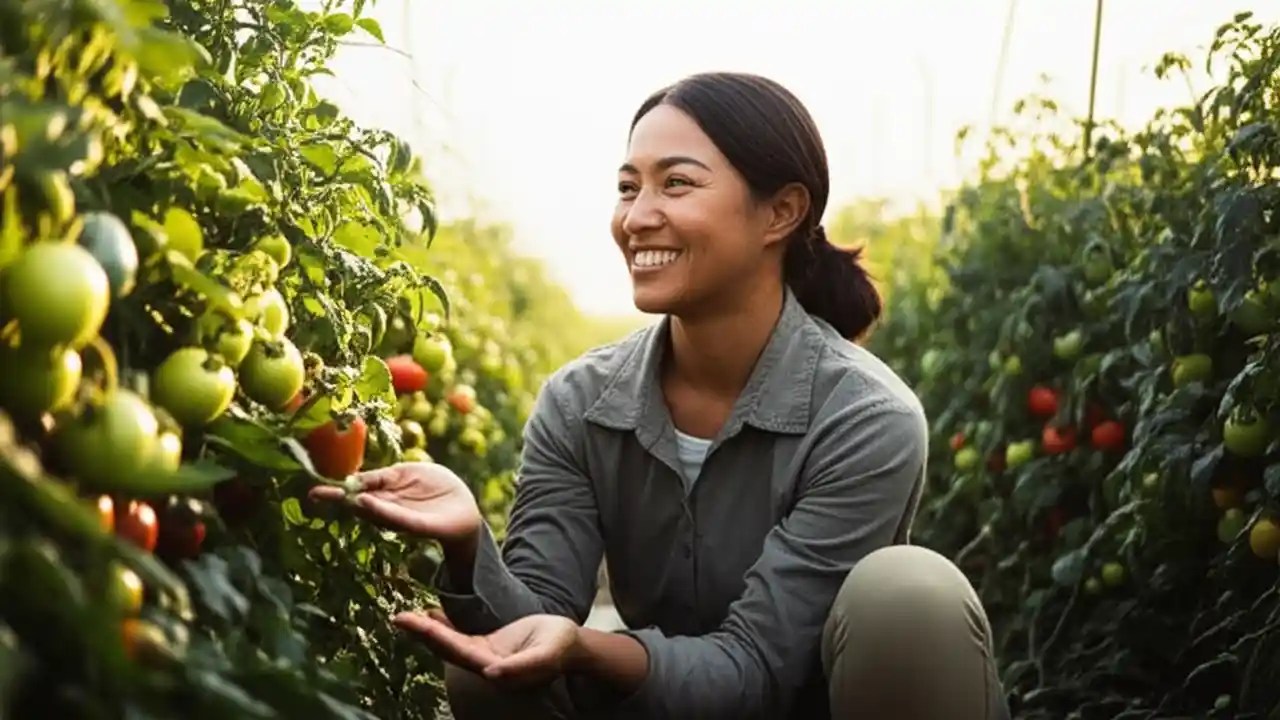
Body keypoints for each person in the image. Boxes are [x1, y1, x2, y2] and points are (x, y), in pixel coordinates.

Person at [311, 71, 1010, 720]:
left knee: (910, 598)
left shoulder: (864, 417)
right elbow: (537, 619)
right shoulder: (580, 400)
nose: (637, 216)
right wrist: (469, 546)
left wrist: (588, 648)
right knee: (485, 665)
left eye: (676, 185)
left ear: (782, 213)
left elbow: (756, 668)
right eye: (627, 187)